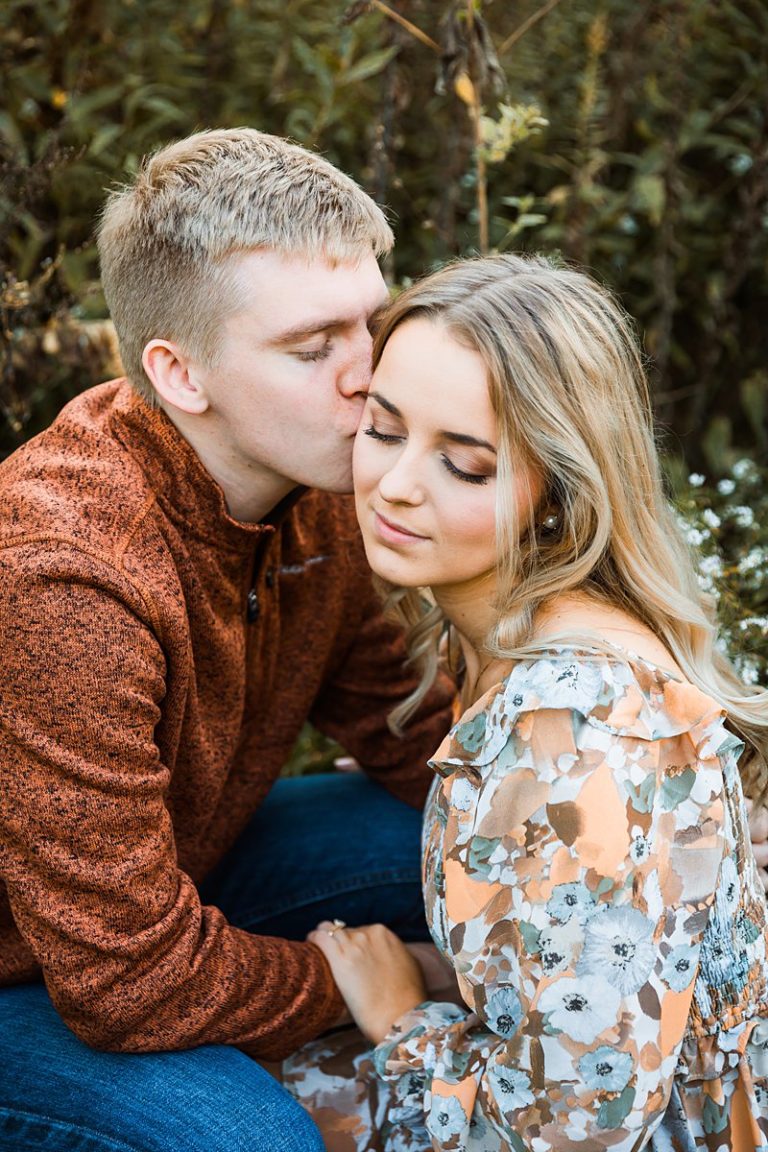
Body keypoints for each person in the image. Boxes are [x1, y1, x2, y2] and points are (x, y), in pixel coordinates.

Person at [0, 129, 455, 1151]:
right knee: (252, 1142)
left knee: (472, 836)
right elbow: (124, 984)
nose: (369, 378)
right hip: (28, 965)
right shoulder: (62, 572)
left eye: (371, 324)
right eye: (311, 348)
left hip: (173, 874)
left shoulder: (318, 482)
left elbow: (411, 727)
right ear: (181, 373)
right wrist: (396, 980)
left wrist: (646, 826)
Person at [283, 254, 768, 1150]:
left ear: (559, 493)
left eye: (465, 465)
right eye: (383, 430)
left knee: (240, 1114)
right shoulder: (517, 636)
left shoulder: (570, 732)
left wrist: (399, 1018)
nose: (394, 485)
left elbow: (572, 1134)